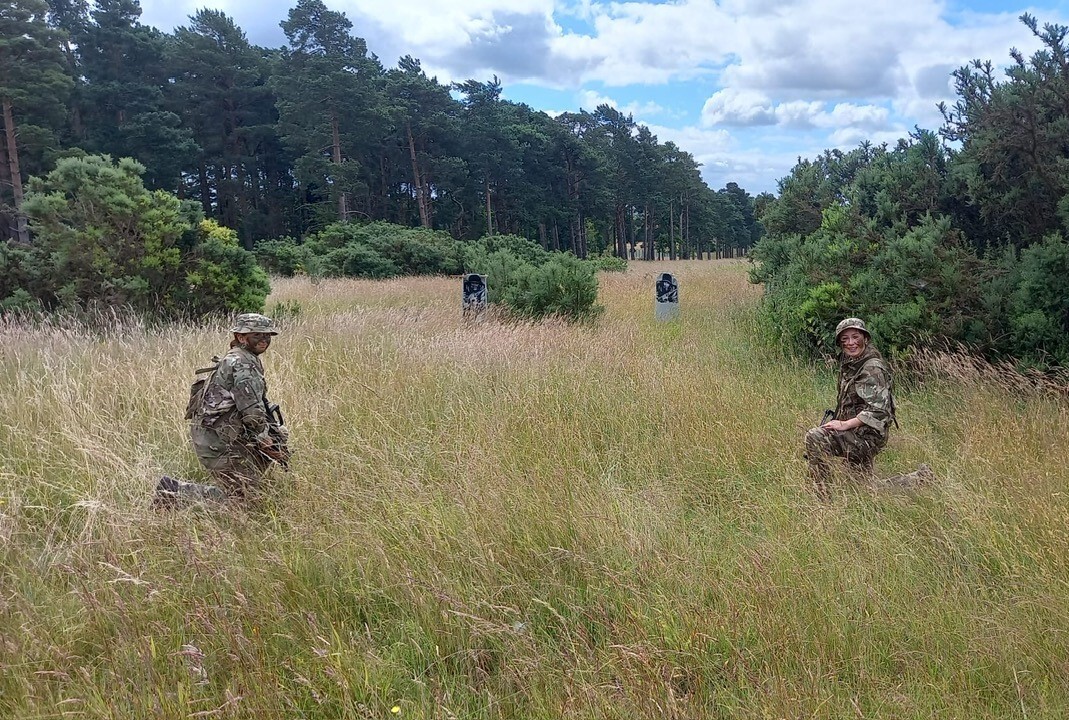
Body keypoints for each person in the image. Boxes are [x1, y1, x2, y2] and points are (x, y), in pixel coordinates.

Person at [153, 312, 290, 508]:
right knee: (246, 501)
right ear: (241, 337)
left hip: (219, 434)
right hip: (216, 440)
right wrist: (265, 440)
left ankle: (245, 481)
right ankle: (172, 492)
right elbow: (251, 411)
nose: (264, 340)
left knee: (253, 483)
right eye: (257, 335)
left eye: (267, 335)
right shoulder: (242, 364)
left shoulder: (243, 358)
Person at [805, 317, 898, 496]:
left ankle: (821, 496)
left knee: (815, 437)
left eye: (855, 337)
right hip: (858, 432)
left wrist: (845, 425)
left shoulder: (871, 368)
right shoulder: (851, 364)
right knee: (861, 489)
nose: (851, 343)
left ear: (865, 338)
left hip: (867, 436)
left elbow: (879, 411)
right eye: (845, 339)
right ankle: (920, 478)